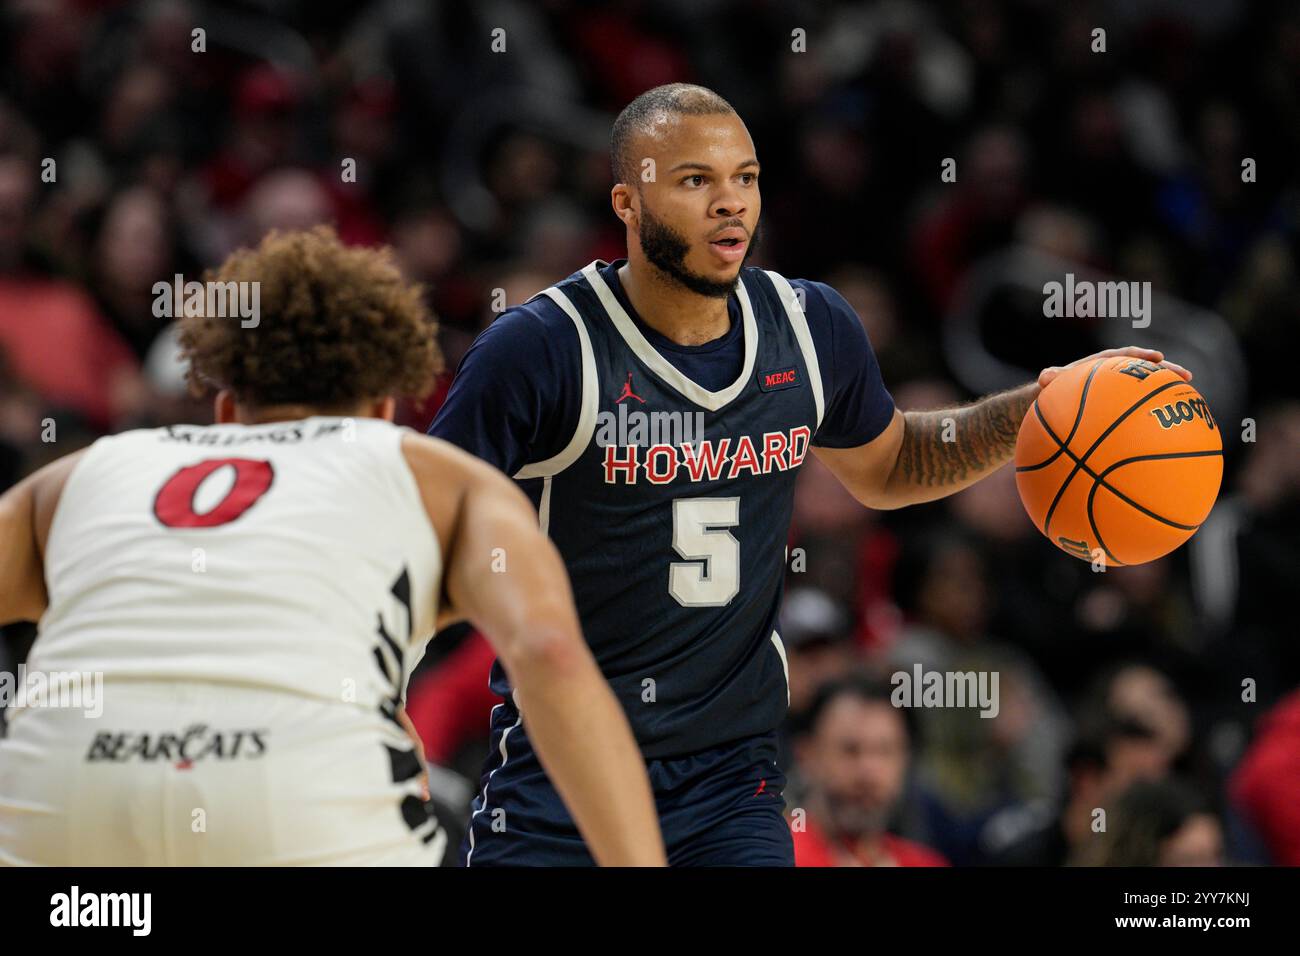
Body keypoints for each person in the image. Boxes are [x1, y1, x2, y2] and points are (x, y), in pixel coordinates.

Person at [429, 82, 1190, 866]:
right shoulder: (542, 348)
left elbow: (892, 465)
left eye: (746, 178)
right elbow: (424, 537)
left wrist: (1035, 409)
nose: (731, 203)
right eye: (697, 180)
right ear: (628, 200)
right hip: (563, 777)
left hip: (732, 782)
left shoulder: (810, 325)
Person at [0, 226, 665, 867]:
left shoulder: (82, 473)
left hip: (61, 795)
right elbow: (549, 654)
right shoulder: (435, 474)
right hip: (298, 799)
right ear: (383, 410)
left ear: (227, 409)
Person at [789, 678, 947, 867]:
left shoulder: (925, 862)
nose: (868, 772)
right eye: (850, 750)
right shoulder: (771, 855)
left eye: (884, 751)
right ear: (807, 757)